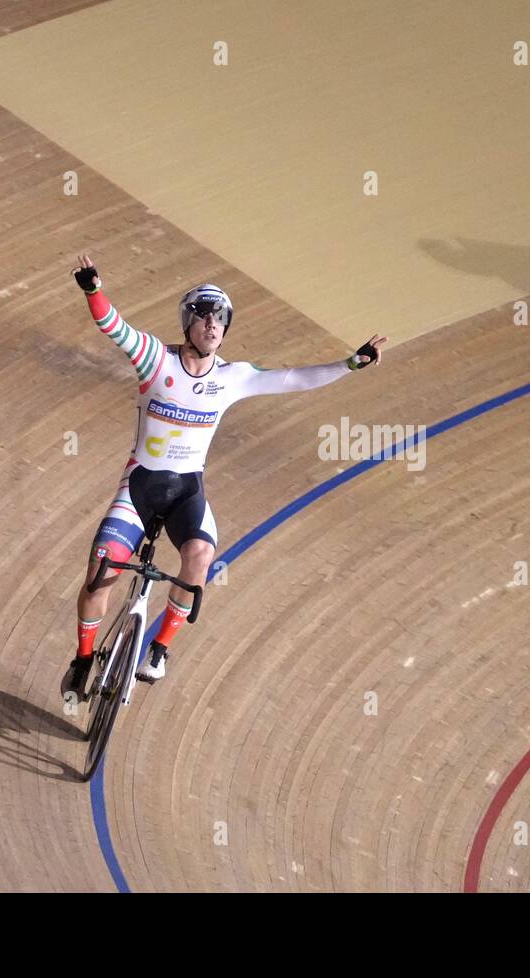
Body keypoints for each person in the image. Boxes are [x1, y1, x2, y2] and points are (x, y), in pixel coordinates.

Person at [60, 254, 386, 702]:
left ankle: (159, 647)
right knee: (100, 573)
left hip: (185, 493)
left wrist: (350, 364)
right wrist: (94, 290)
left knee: (200, 558)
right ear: (187, 323)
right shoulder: (155, 359)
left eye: (221, 320)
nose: (214, 325)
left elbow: (294, 380)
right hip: (139, 490)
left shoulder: (234, 378)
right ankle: (82, 658)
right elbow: (114, 327)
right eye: (205, 317)